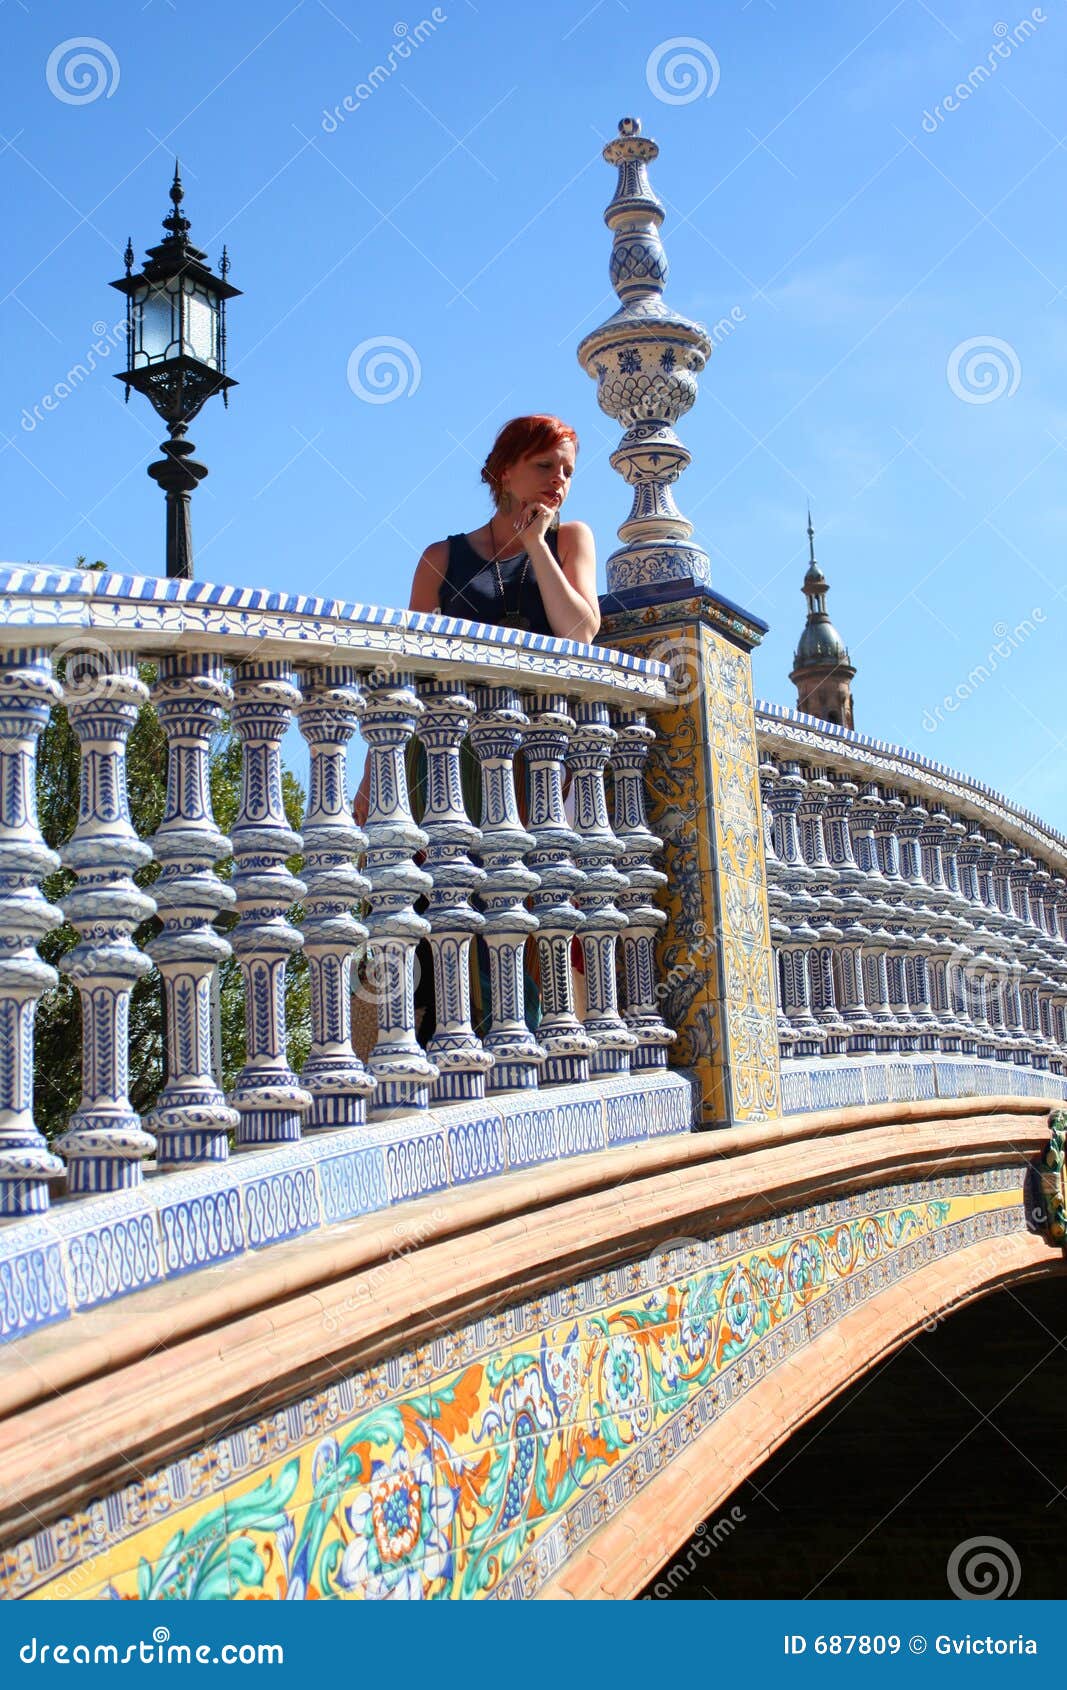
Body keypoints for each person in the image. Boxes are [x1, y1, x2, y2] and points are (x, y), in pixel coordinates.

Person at [353, 415, 600, 1046]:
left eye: (567, 469)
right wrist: (371, 775)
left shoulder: (571, 539)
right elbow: (406, 678)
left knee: (525, 893)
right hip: (442, 755)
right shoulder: (442, 558)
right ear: (503, 472)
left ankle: (522, 1040)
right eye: (546, 465)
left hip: (534, 757)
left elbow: (579, 630)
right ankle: (443, 1036)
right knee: (440, 893)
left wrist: (537, 544)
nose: (559, 481)